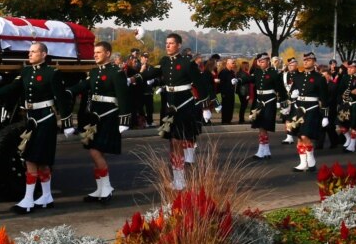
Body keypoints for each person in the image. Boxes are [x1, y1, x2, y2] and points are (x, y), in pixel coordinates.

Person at [0, 42, 73, 213]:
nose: (29, 54)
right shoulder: (26, 71)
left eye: (34, 51)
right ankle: (46, 196)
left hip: (46, 118)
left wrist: (67, 123)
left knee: (35, 159)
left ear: (43, 54)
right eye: (29, 51)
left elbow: (61, 98)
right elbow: (12, 87)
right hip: (31, 118)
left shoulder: (52, 73)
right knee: (36, 159)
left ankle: (29, 198)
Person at [136, 33, 204, 191]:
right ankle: (177, 178)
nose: (167, 45)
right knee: (172, 143)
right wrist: (134, 78)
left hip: (184, 105)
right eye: (166, 43)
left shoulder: (186, 62)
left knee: (178, 141)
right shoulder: (165, 61)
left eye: (171, 43)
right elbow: (152, 73)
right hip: (170, 106)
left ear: (179, 45)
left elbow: (200, 83)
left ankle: (181, 180)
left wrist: (208, 102)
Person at [66, 40, 131, 203]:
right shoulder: (95, 72)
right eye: (94, 53)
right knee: (95, 152)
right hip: (95, 117)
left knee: (95, 152)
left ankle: (107, 187)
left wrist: (124, 120)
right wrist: (68, 91)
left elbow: (124, 97)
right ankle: (100, 189)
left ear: (108, 53)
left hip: (109, 116)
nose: (95, 55)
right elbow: (84, 85)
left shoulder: (116, 72)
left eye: (98, 52)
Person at [238, 52, 287, 160]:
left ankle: (262, 150)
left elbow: (281, 89)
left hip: (269, 102)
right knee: (260, 126)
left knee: (263, 126)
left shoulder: (274, 73)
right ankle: (266, 150)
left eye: (262, 61)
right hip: (259, 102)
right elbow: (250, 79)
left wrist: (283, 103)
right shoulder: (257, 72)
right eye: (259, 61)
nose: (260, 63)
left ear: (268, 61)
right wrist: (239, 80)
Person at [288, 52, 327, 172]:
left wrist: (325, 115)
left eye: (308, 60)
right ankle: (303, 163)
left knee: (305, 135)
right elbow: (293, 91)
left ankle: (311, 158)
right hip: (299, 109)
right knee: (299, 137)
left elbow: (324, 97)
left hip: (312, 109)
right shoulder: (298, 76)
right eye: (304, 60)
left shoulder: (319, 78)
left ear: (314, 62)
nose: (305, 62)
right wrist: (293, 94)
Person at [336, 61, 356, 153]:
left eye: (351, 68)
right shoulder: (345, 77)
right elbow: (340, 90)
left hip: (355, 104)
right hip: (345, 103)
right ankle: (348, 139)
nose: (349, 69)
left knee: (354, 125)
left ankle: (352, 145)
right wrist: (343, 97)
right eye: (348, 68)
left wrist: (351, 93)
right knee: (342, 124)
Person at [216, 57, 237, 124]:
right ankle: (225, 120)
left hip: (231, 92)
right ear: (228, 64)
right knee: (226, 107)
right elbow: (221, 83)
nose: (234, 64)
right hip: (225, 93)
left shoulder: (232, 72)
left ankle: (229, 120)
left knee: (231, 106)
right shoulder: (223, 72)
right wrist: (223, 93)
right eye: (232, 63)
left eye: (234, 63)